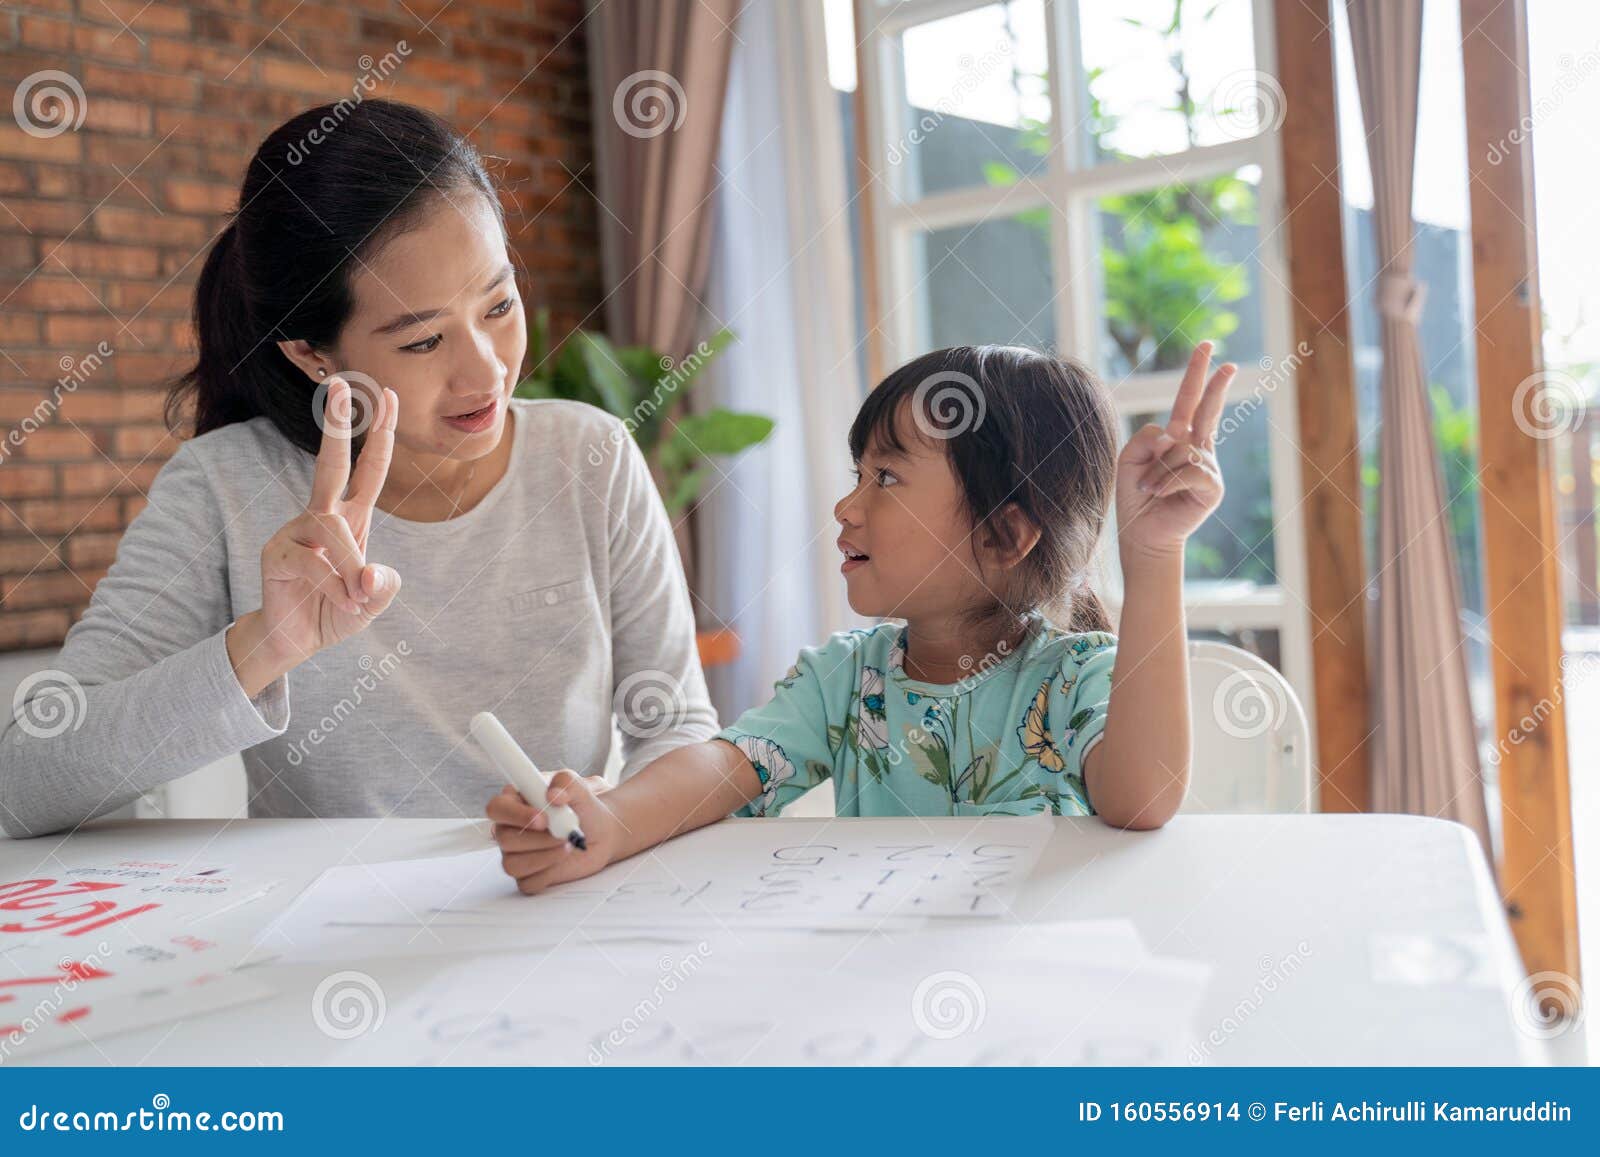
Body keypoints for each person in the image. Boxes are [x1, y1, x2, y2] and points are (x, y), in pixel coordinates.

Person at [0, 100, 716, 837]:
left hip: (555, 891)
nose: (486, 372)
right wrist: (264, 646)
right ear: (312, 354)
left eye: (499, 305)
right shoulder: (225, 485)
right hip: (315, 911)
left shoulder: (590, 458)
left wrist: (610, 817)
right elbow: (22, 784)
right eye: (423, 341)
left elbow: (678, 727)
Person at [489, 341, 1235, 893]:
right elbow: (723, 767)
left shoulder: (1073, 677)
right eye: (858, 474)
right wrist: (612, 819)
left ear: (1004, 535)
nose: (847, 506)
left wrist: (1154, 554)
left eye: (887, 477)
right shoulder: (847, 679)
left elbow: (1144, 798)